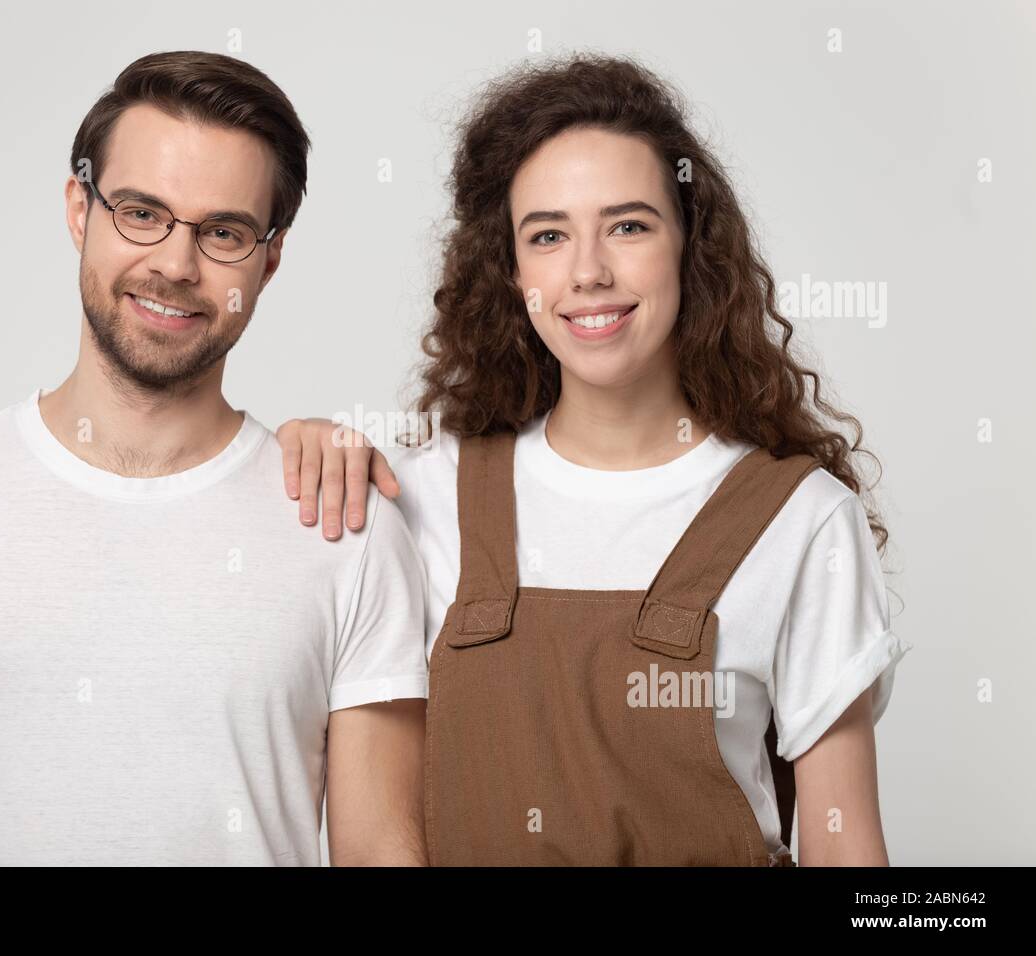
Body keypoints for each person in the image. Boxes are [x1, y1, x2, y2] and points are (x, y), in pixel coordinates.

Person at [0, 51, 429, 867]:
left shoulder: (344, 526)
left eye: (223, 232)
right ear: (78, 210)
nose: (175, 265)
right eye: (140, 212)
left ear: (270, 259)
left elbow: (381, 853)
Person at [276, 53, 911, 865]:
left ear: (691, 246)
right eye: (548, 236)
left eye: (629, 225)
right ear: (510, 271)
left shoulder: (803, 518)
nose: (588, 272)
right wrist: (299, 450)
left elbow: (848, 855)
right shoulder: (419, 497)